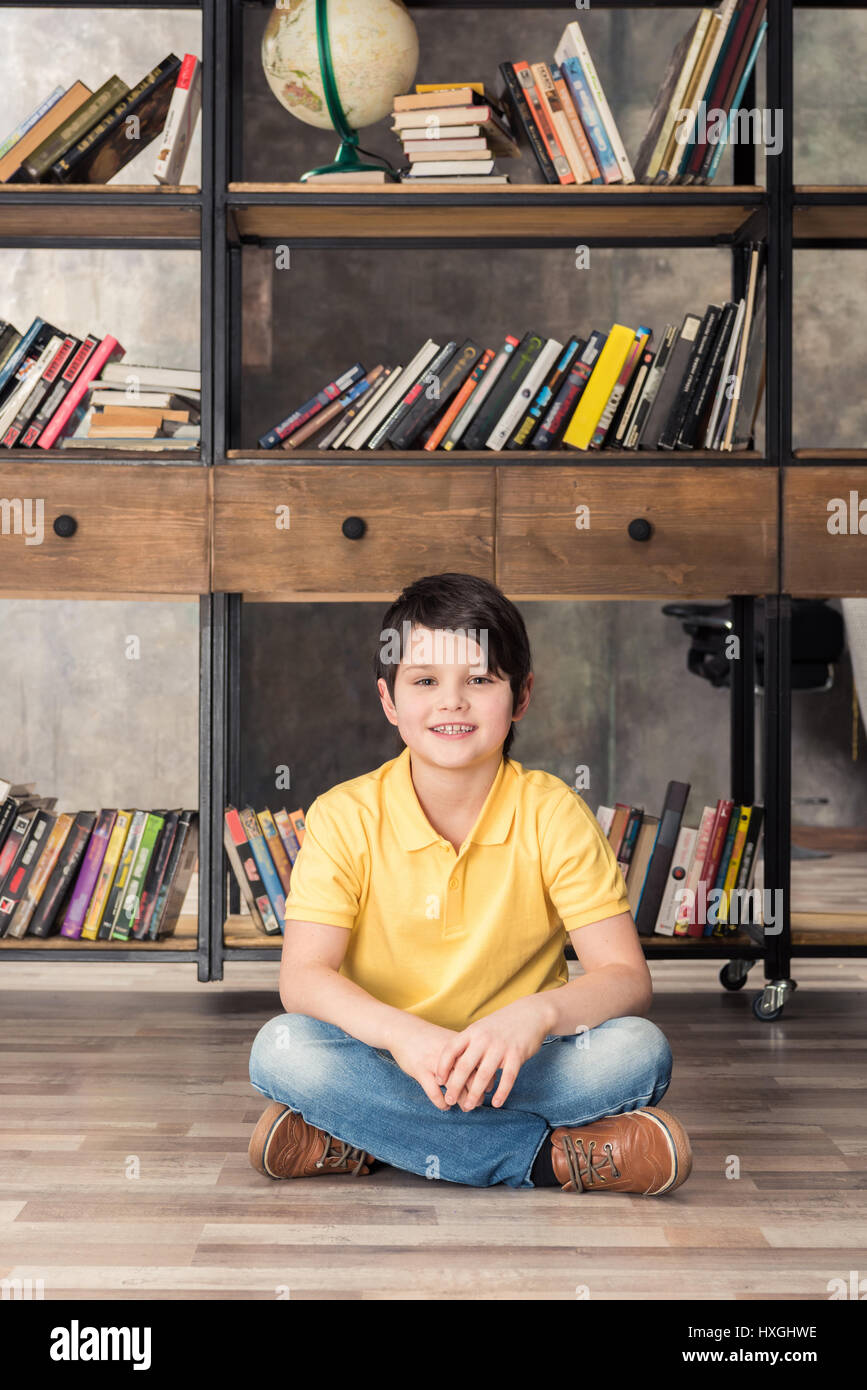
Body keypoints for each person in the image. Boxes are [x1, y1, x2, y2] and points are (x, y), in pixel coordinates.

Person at [248, 572, 691, 1194]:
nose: (452, 702)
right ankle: (546, 1161)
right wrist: (403, 1035)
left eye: (479, 680)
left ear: (522, 694)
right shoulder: (344, 814)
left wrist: (534, 1018)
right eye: (425, 681)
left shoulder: (553, 812)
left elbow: (626, 978)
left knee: (638, 1052)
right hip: (388, 1060)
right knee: (283, 1047)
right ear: (389, 700)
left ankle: (361, 1137)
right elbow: (303, 976)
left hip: (521, 1063)